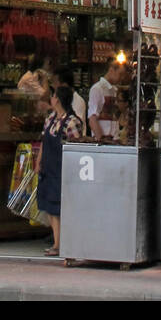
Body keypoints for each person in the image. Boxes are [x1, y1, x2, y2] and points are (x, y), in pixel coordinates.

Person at [37, 85, 84, 256]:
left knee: (60, 207)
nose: (51, 98)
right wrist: (38, 161)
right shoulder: (50, 119)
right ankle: (57, 243)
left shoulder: (72, 122)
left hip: (62, 169)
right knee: (50, 207)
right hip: (49, 167)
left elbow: (77, 146)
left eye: (53, 96)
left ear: (57, 99)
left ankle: (60, 244)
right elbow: (44, 141)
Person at [87, 59, 122, 141]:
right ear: (111, 70)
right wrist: (101, 140)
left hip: (114, 140)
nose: (121, 78)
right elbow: (92, 118)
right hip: (104, 142)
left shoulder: (114, 90)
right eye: (120, 74)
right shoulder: (97, 89)